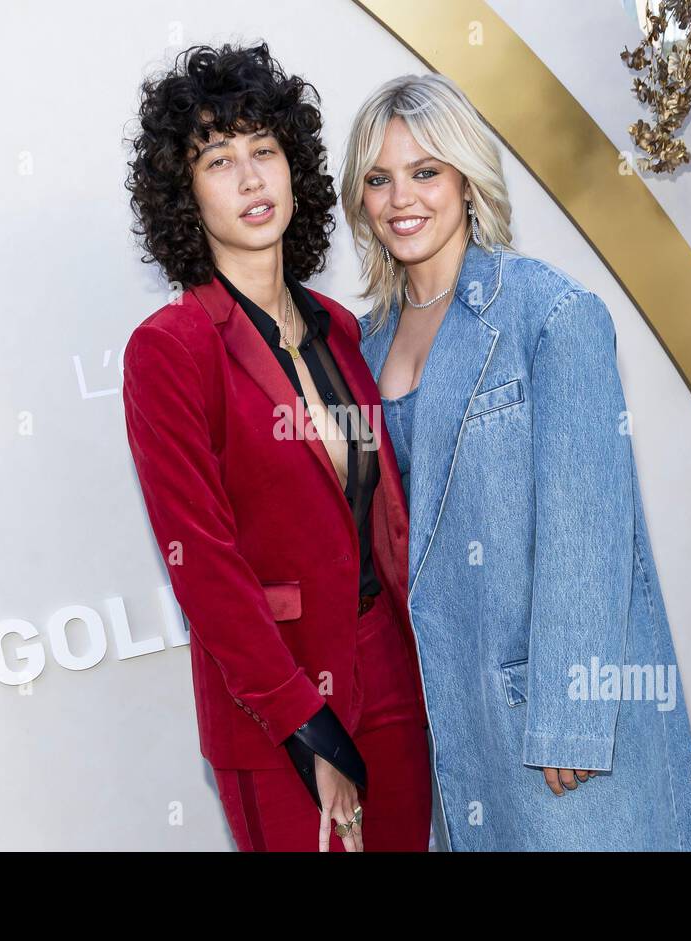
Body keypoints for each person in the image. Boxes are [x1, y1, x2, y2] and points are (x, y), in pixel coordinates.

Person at [338, 72, 691, 851]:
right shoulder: (362, 345)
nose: (402, 198)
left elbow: (590, 527)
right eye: (379, 179)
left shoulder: (551, 314)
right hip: (447, 714)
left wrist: (571, 717)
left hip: (551, 718)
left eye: (425, 171)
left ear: (467, 180)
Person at [122, 43, 432, 852]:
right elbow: (206, 566)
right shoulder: (173, 348)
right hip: (274, 704)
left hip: (392, 675)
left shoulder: (341, 328)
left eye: (265, 151)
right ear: (185, 196)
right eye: (219, 161)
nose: (252, 178)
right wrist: (309, 728)